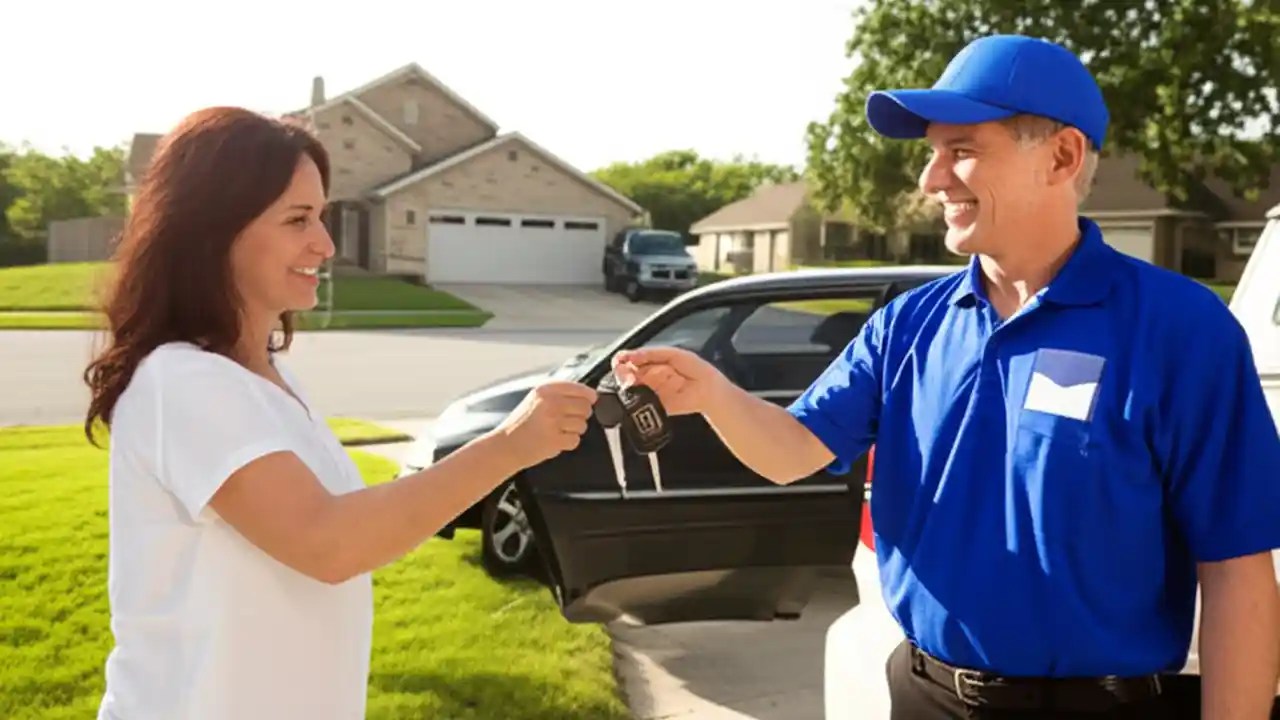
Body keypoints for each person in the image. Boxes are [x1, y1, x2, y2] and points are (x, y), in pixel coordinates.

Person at [613, 34, 1280, 719]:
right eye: (931, 153)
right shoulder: (907, 326)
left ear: (1061, 156)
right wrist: (713, 395)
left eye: (962, 151)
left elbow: (1236, 569)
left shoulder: (1180, 330)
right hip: (925, 697)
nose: (931, 180)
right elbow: (793, 451)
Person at [82, 106, 597, 720]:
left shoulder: (268, 380)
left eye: (321, 217)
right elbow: (329, 543)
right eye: (298, 219)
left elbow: (356, 527)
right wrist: (511, 444)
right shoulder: (181, 381)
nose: (325, 244)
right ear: (212, 233)